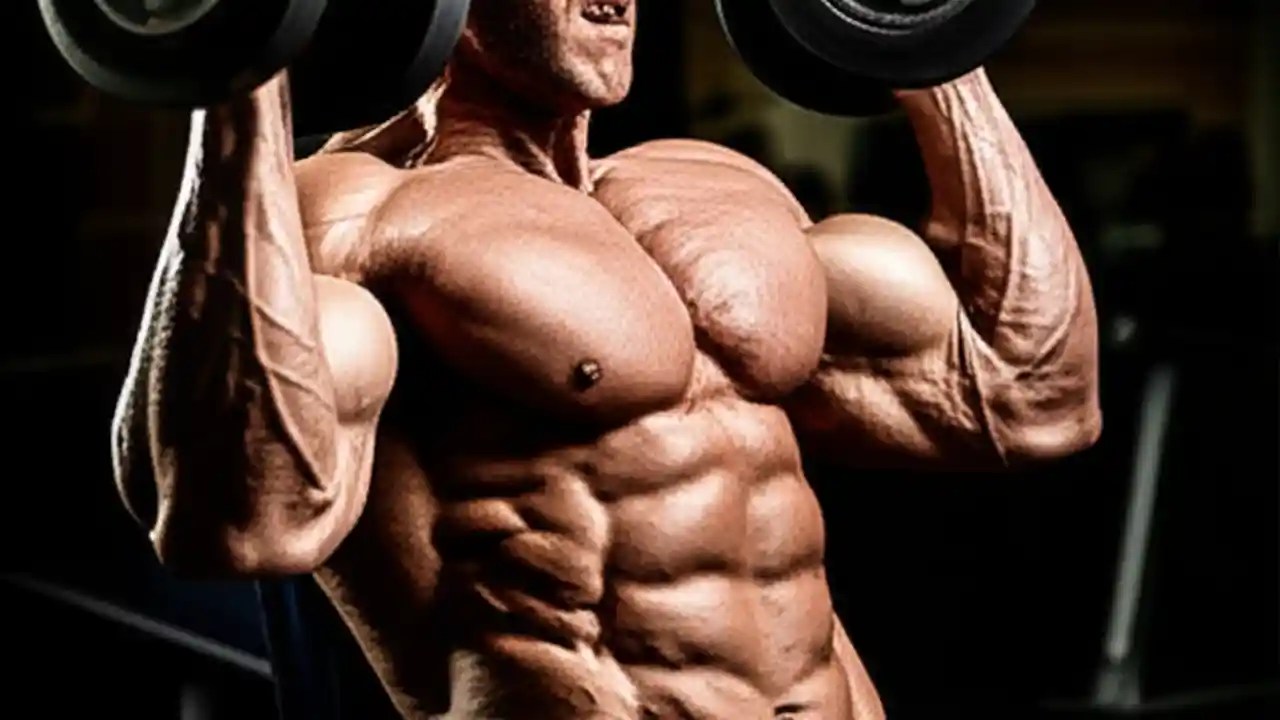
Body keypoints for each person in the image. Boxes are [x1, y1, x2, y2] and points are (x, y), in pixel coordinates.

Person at [110, 1, 1101, 718]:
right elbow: (236, 521)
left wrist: (927, 37)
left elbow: (1030, 395)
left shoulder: (721, 190)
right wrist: (242, 75)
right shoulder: (351, 217)